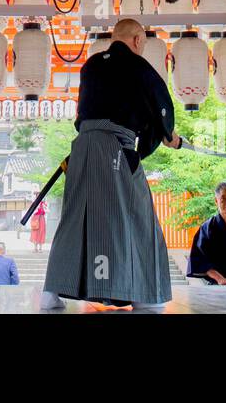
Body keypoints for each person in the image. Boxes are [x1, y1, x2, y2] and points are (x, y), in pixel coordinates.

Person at [41, 18, 181, 310]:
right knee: (139, 216)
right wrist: (168, 133)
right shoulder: (137, 65)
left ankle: (50, 293)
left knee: (75, 218)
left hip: (82, 149)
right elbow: (160, 105)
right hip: (115, 148)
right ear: (138, 40)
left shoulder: (90, 66)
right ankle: (146, 298)